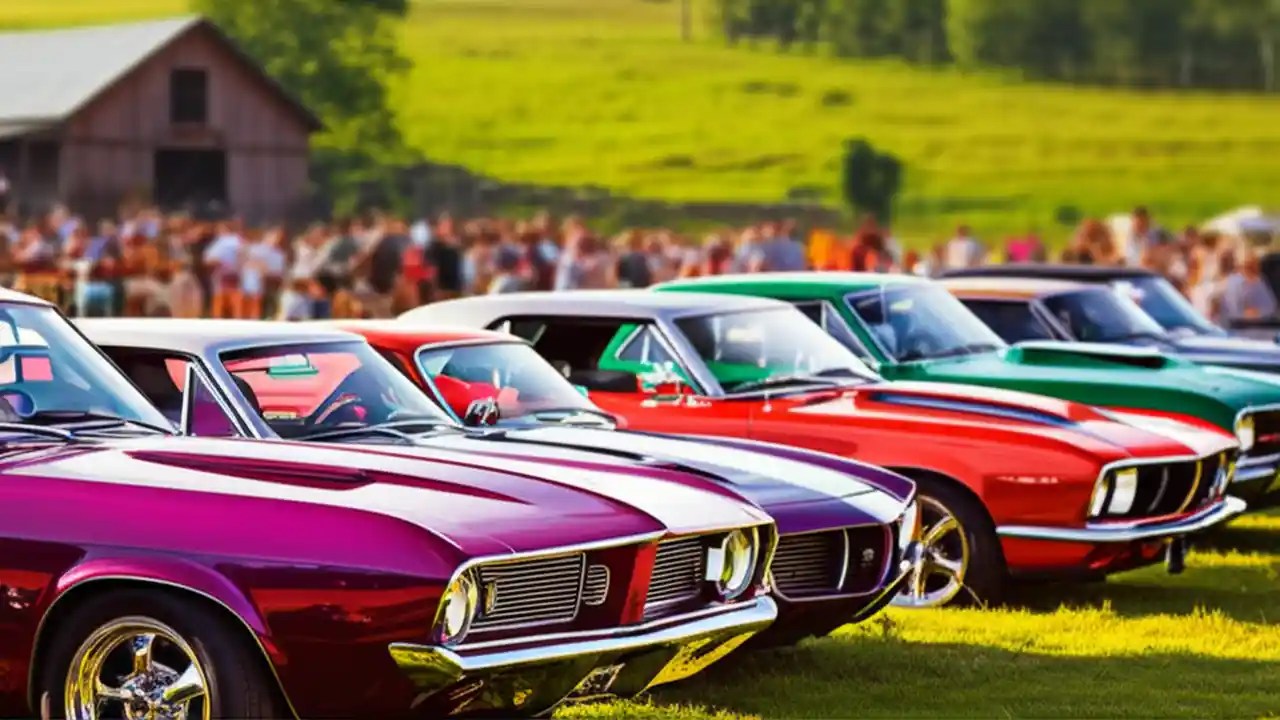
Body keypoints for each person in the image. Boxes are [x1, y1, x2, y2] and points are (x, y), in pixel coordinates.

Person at [1220, 249, 1277, 322]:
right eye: (1246, 265)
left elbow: (1271, 306)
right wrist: (1245, 314)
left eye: (1252, 264)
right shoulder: (1233, 282)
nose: (1249, 268)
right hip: (1239, 326)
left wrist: (1258, 312)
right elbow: (1230, 310)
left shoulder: (1260, 281)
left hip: (1259, 325)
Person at [203, 219, 244, 319]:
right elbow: (207, 259)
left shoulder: (235, 240)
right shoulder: (217, 243)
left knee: (234, 302)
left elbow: (243, 254)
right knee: (219, 301)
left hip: (233, 276)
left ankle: (236, 320)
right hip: (221, 275)